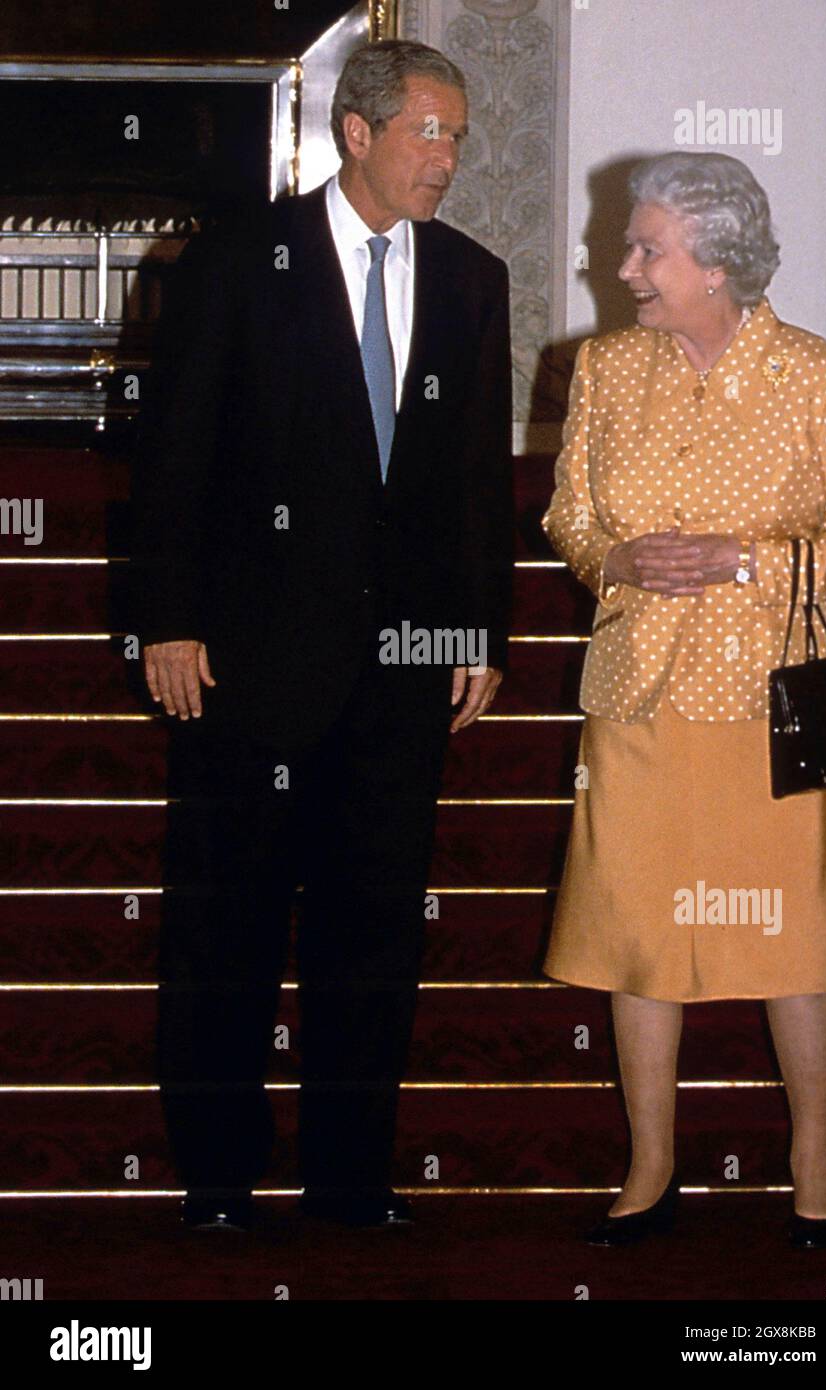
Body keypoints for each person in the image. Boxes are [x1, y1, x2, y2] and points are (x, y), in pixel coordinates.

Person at [128, 39, 513, 1232]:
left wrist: (476, 628)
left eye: (455, 135)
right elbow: (175, 452)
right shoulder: (243, 260)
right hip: (247, 656)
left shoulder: (469, 276)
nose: (446, 158)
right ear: (357, 130)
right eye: (428, 132)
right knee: (226, 923)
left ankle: (352, 1176)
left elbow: (472, 479)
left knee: (374, 932)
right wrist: (169, 619)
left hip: (400, 668)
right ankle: (216, 1179)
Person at [542, 151, 826, 1248]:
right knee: (637, 935)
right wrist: (619, 558)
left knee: (788, 938)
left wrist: (739, 561)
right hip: (636, 694)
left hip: (774, 698)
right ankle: (648, 1167)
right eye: (629, 244)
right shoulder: (602, 371)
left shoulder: (816, 378)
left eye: (646, 248)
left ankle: (813, 1160)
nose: (622, 265)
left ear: (716, 265)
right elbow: (568, 524)